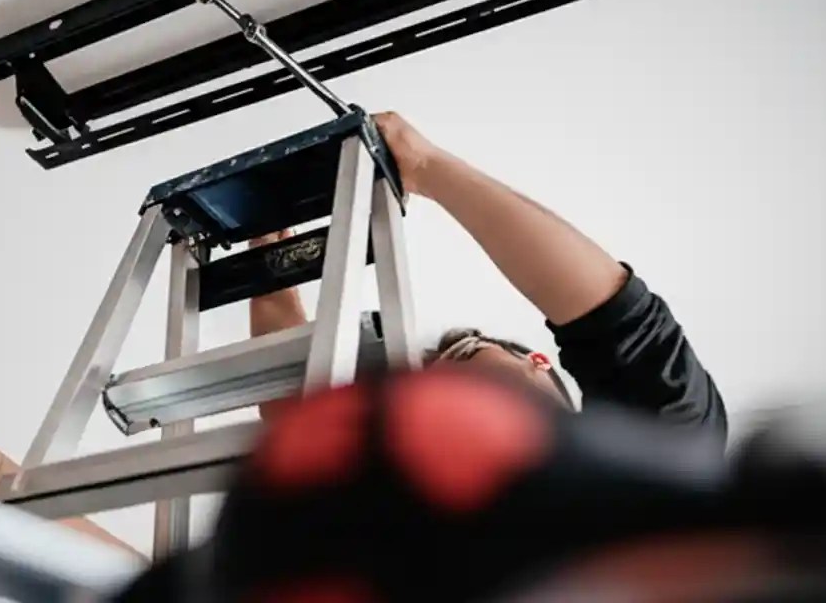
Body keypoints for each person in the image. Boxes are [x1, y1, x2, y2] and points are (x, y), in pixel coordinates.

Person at [252, 111, 727, 443]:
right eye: (459, 361)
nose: (454, 392)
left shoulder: (645, 472)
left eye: (460, 358)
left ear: (537, 361)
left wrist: (427, 167)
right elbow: (296, 393)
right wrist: (268, 238)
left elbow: (620, 323)